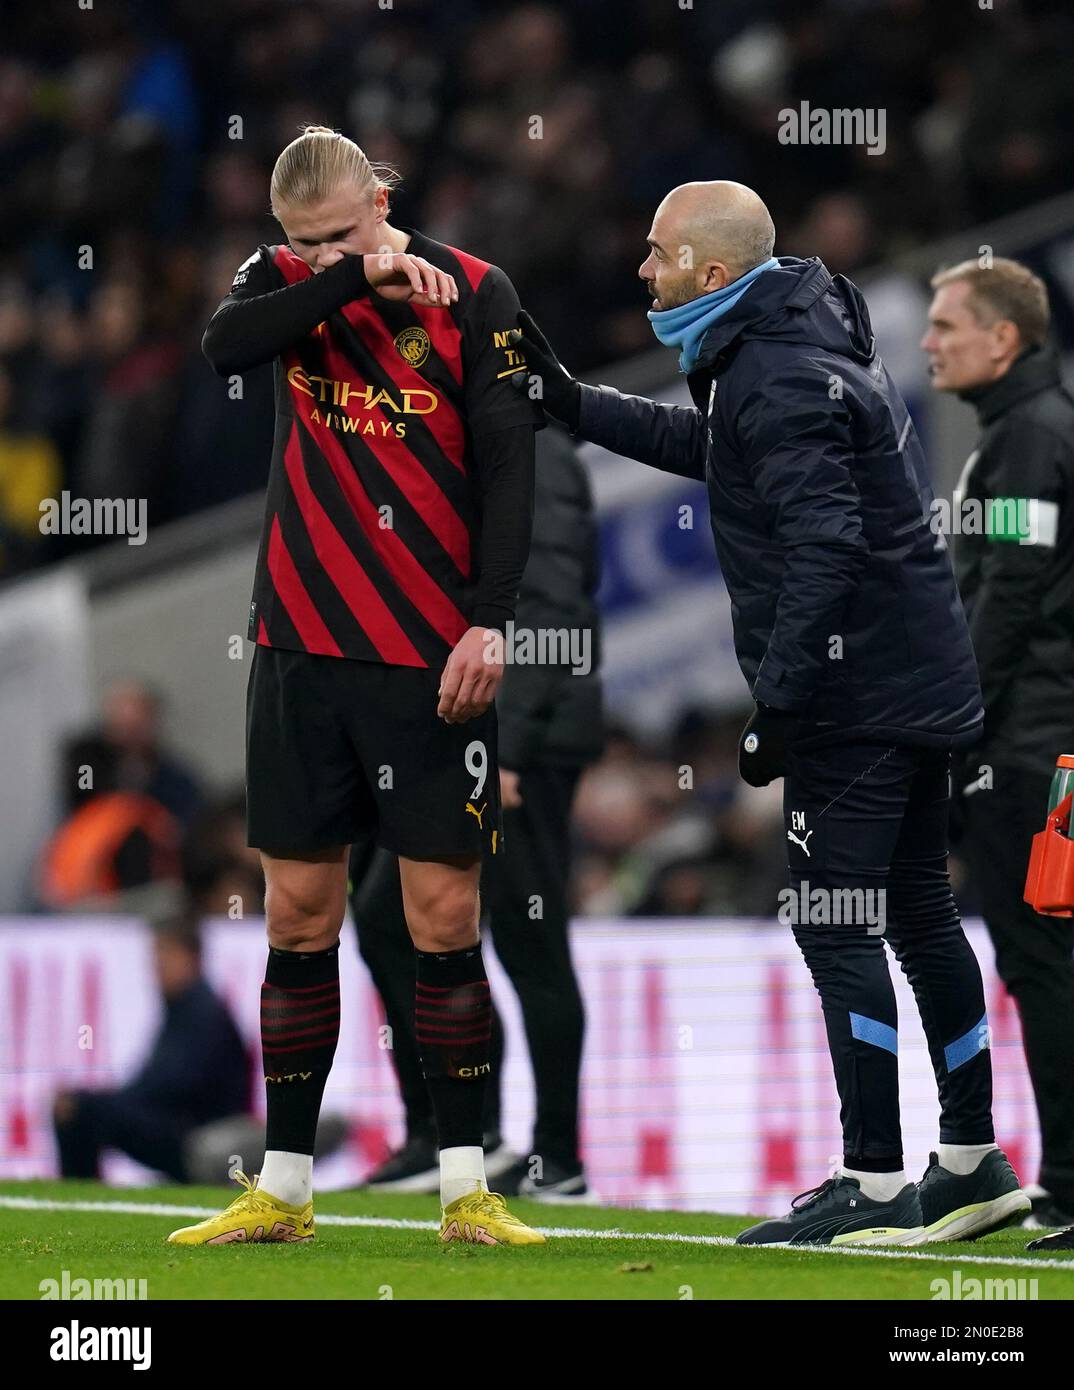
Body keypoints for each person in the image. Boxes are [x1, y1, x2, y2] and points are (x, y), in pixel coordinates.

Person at [512, 179, 1030, 1246]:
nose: (642, 272)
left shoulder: (777, 366)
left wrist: (782, 700)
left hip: (861, 693)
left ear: (708, 271)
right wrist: (571, 401)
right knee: (922, 915)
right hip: (914, 678)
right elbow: (714, 448)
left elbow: (827, 545)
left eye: (656, 255)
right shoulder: (787, 341)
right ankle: (972, 1162)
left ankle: (877, 1179)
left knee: (838, 920)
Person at [168, 126, 543, 1247]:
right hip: (296, 644)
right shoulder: (281, 278)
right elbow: (227, 347)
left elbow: (512, 464)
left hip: (430, 655)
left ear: (384, 193)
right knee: (297, 914)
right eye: (303, 239)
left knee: (444, 918)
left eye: (344, 228)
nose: (321, 250)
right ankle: (283, 1185)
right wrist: (346, 272)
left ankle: (466, 1185)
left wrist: (491, 621)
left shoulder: (477, 292)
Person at [352, 423, 604, 1201]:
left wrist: (512, 749)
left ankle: (549, 1158)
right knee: (405, 920)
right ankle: (464, 1134)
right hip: (467, 725)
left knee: (525, 940)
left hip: (513, 735)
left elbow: (553, 599)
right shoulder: (475, 434)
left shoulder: (530, 442)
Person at [923, 257, 1074, 1237]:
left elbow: (1008, 596)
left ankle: (1071, 1175)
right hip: (1041, 740)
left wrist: (951, 726)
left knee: (1045, 962)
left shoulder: (1027, 438)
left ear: (1004, 338)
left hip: (1029, 747)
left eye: (946, 324)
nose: (929, 341)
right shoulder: (1026, 431)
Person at [53, 915, 249, 1182]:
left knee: (80, 1109)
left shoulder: (203, 1013)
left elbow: (173, 1084)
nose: (156, 965)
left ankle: (79, 1194)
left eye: (163, 953)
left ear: (191, 957)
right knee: (82, 1105)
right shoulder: (184, 1008)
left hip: (197, 1136)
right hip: (183, 1125)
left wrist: (105, 1101)